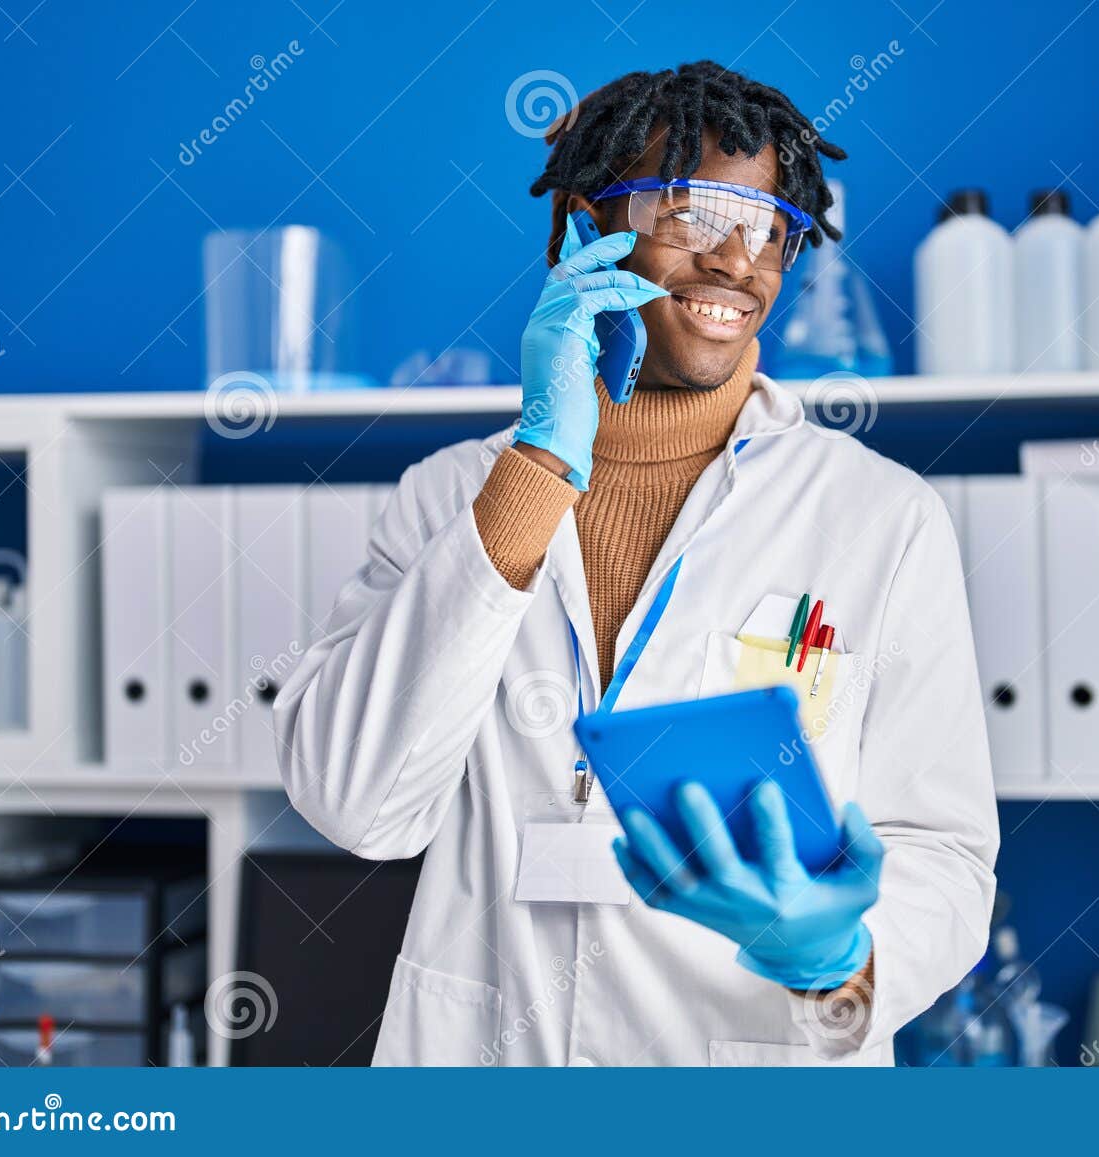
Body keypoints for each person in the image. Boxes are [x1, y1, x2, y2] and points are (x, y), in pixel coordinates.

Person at [276, 61, 998, 1067]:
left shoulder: (880, 516)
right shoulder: (450, 495)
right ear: (583, 225)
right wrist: (534, 469)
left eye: (771, 227)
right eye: (698, 214)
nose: (738, 262)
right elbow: (356, 802)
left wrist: (841, 957)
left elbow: (944, 850)